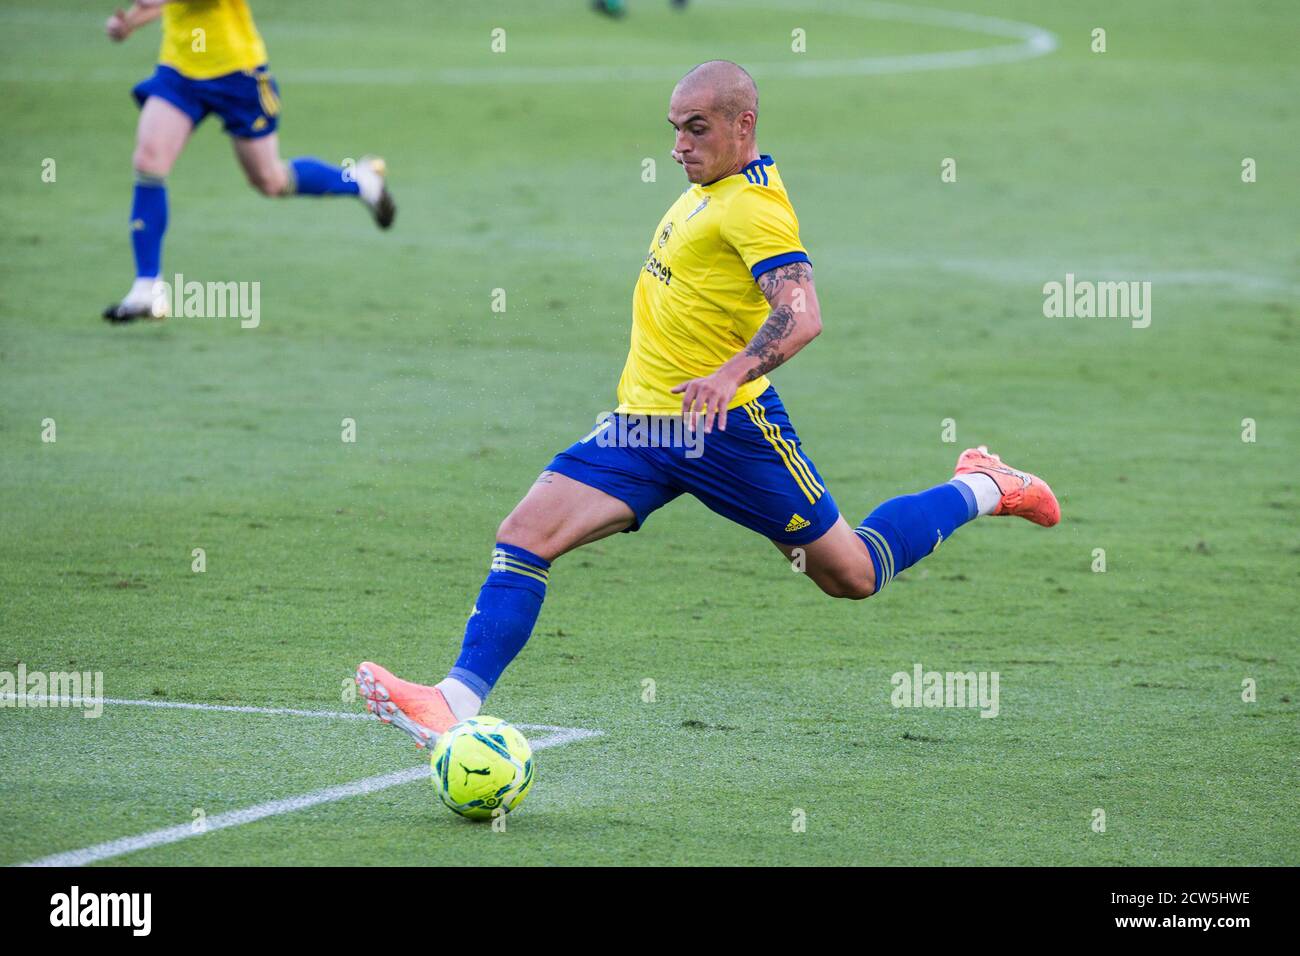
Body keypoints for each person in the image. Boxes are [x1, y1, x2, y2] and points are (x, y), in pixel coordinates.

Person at [356, 60, 1059, 747]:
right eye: (674, 129)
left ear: (742, 124)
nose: (678, 146)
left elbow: (802, 311)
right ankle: (453, 702)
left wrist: (731, 374)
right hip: (644, 427)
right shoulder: (708, 188)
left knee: (853, 573)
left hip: (729, 432)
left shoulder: (753, 208)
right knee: (524, 535)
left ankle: (982, 484)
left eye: (695, 129)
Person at [102, 0, 395, 322]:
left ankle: (361, 181)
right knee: (149, 161)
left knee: (270, 180)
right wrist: (130, 22)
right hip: (179, 71)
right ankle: (147, 286)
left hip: (237, 74)